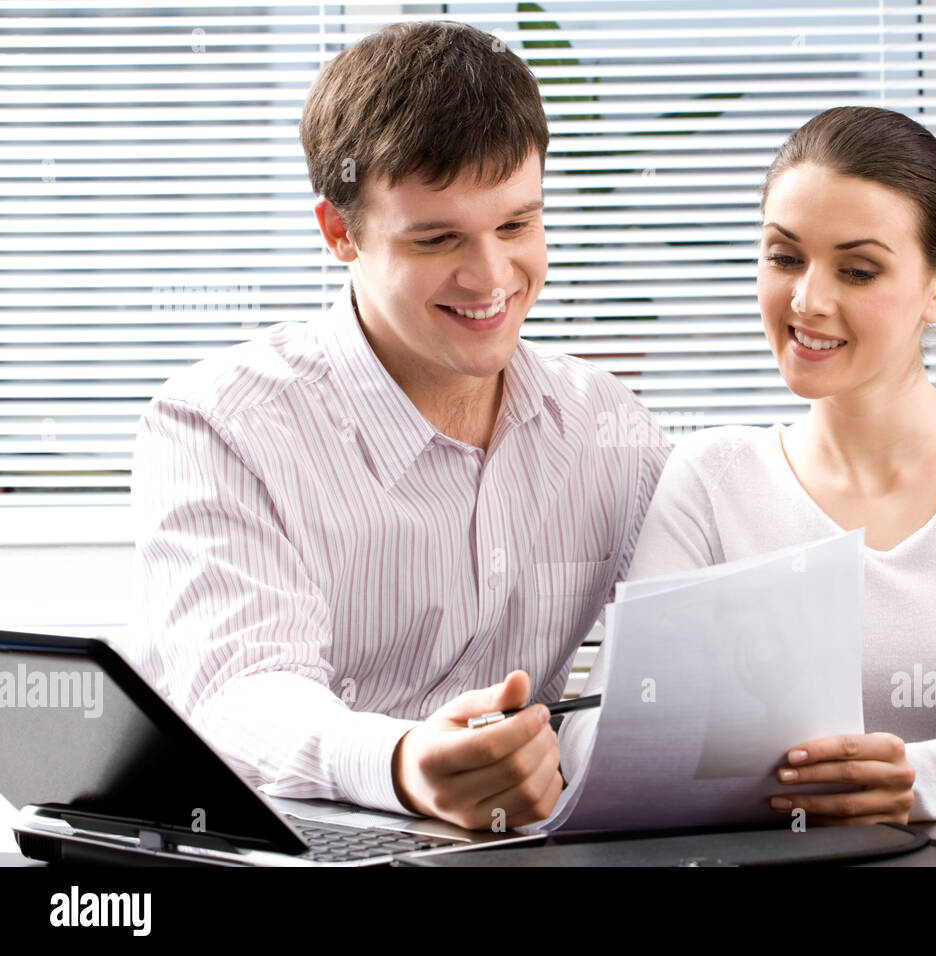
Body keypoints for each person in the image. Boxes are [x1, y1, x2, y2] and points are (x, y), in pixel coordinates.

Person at [127, 20, 669, 831]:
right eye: (439, 238)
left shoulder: (606, 426)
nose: (492, 278)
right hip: (303, 850)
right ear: (340, 232)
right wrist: (404, 762)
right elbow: (239, 694)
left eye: (517, 225)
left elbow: (688, 668)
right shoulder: (220, 425)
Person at [560, 106, 936, 824]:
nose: (808, 300)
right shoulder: (712, 476)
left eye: (857, 270)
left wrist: (912, 779)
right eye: (784, 256)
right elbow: (593, 739)